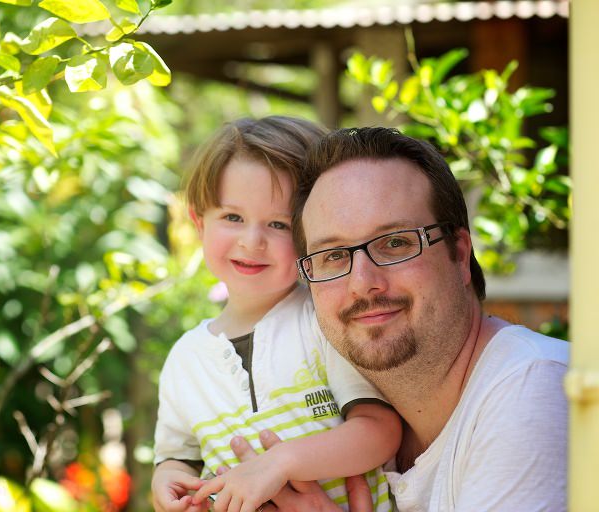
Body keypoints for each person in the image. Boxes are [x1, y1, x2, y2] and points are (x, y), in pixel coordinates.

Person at [236, 126, 568, 511]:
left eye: (395, 243)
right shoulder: (358, 442)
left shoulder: (531, 388)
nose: (363, 284)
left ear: (459, 254)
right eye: (333, 256)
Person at [152, 118, 402, 512]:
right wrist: (168, 482)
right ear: (199, 222)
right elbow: (176, 454)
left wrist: (280, 463)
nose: (252, 242)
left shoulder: (326, 321)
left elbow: (380, 432)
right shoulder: (185, 361)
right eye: (232, 218)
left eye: (278, 224)